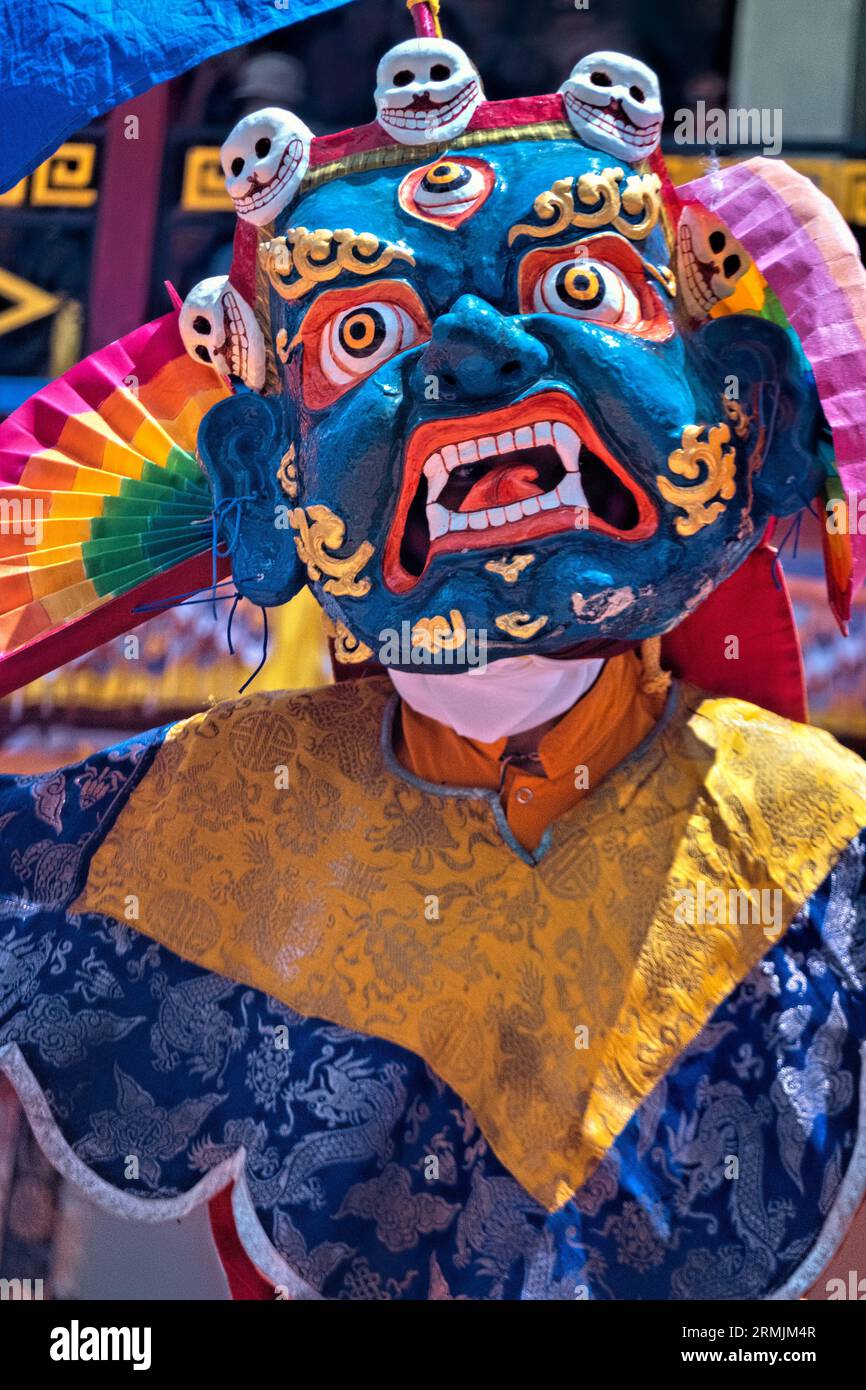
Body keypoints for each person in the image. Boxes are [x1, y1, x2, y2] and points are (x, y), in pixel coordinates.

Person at [1, 2, 866, 1300]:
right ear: (264, 483)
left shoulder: (822, 842)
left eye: (578, 290)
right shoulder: (182, 820)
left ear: (738, 416)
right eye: (365, 332)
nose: (475, 357)